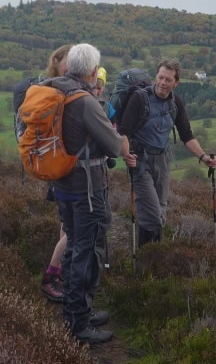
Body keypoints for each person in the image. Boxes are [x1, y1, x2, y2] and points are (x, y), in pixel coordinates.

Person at [49, 44, 136, 345]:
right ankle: (78, 323)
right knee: (87, 252)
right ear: (91, 70)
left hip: (63, 185)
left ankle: (78, 311)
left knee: (75, 246)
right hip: (87, 190)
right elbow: (113, 146)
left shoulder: (56, 89)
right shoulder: (85, 101)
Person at [117, 59, 216, 246]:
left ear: (176, 83)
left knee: (160, 213)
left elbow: (187, 136)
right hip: (140, 161)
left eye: (168, 80)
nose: (163, 83)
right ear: (156, 77)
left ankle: (153, 256)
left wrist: (203, 157)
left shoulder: (176, 103)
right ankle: (150, 256)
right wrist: (127, 155)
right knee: (153, 215)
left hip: (163, 161)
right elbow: (123, 131)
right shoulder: (140, 99)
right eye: (160, 77)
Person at [14, 45, 72, 304]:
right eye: (68, 62)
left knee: (66, 225)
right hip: (58, 166)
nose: (71, 67)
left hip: (58, 164)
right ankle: (52, 277)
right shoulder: (52, 92)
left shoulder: (51, 89)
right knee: (70, 227)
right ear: (56, 61)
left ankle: (60, 273)